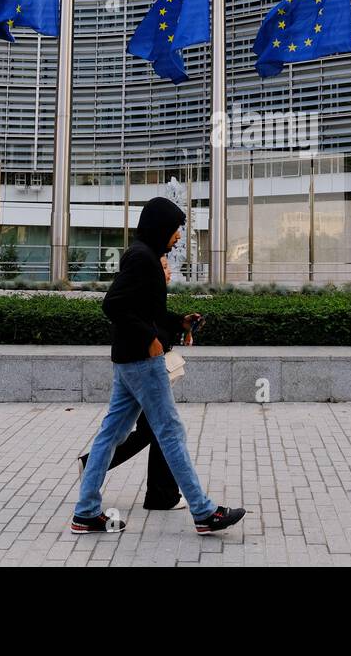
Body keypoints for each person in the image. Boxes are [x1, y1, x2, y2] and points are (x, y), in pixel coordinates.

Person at [71, 196, 247, 535]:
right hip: (142, 362)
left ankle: (86, 512)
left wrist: (178, 322)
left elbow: (142, 309)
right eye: (175, 230)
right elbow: (114, 305)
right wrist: (150, 338)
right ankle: (204, 512)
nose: (178, 237)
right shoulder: (142, 258)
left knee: (111, 435)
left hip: (128, 362)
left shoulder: (145, 255)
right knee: (170, 432)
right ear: (159, 227)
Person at [77, 254, 187, 511]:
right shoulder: (138, 295)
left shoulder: (150, 297)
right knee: (163, 430)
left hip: (140, 373)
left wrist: (181, 324)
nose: (168, 271)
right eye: (163, 266)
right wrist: (158, 339)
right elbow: (136, 323)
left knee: (150, 431)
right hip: (141, 373)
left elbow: (158, 322)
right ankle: (166, 496)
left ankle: (160, 494)